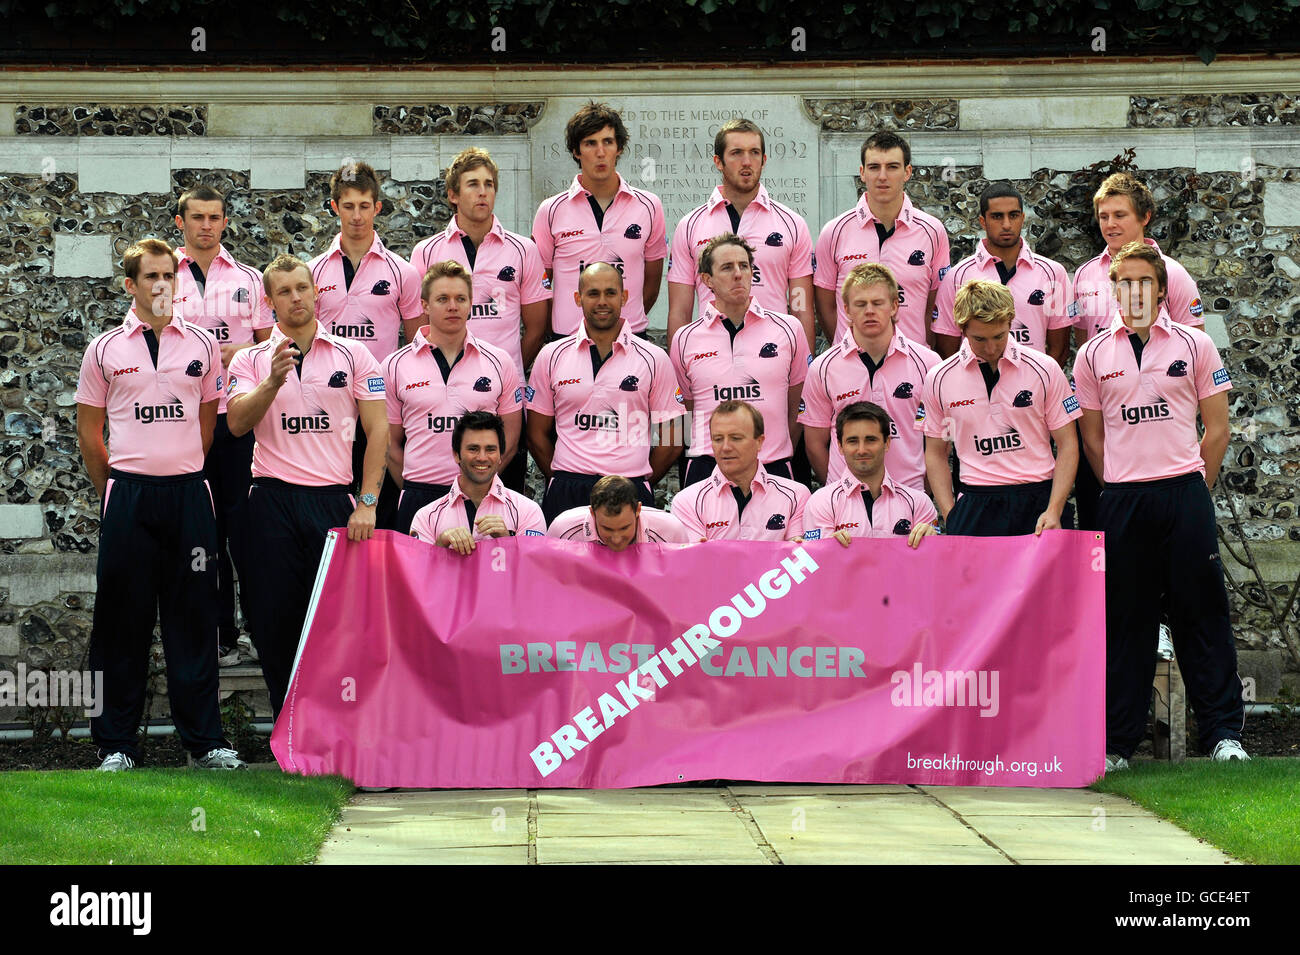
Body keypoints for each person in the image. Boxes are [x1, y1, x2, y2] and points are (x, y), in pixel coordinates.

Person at [1073, 241, 1247, 769]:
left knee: (1203, 614)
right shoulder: (1091, 355)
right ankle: (1117, 744)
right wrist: (1121, 486)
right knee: (1127, 622)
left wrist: (1194, 487)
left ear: (1161, 289)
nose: (1134, 292)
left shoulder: (1195, 346)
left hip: (1184, 494)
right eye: (1123, 282)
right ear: (1114, 290)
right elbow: (1093, 441)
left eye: (1144, 282)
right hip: (1124, 501)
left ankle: (1223, 735)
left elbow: (1217, 430)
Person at [75, 238, 244, 771]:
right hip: (128, 497)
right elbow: (89, 436)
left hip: (190, 496)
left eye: (169, 275)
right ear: (131, 284)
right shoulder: (103, 349)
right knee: (120, 623)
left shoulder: (202, 345)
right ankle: (116, 746)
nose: (162, 285)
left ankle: (205, 741)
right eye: (151, 276)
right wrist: (118, 487)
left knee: (193, 619)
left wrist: (178, 467)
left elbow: (207, 424)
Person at [226, 254, 388, 721]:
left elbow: (378, 431)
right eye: (284, 291)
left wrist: (368, 503)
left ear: (316, 291)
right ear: (269, 302)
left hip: (332, 501)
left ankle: (338, 726)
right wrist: (273, 381)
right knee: (276, 621)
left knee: (338, 623)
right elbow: (237, 424)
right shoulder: (252, 360)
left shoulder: (354, 354)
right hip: (271, 499)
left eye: (302, 288)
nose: (296, 298)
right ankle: (288, 726)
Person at [173, 184, 274, 667]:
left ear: (225, 222)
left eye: (215, 217)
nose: (206, 225)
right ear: (181, 223)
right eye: (197, 217)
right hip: (184, 424)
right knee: (199, 533)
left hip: (236, 422)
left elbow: (268, 348)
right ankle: (217, 636)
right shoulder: (160, 277)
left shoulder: (250, 279)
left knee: (245, 528)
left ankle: (261, 631)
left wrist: (225, 353)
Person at [1070, 171, 1204, 534]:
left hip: (1157, 431)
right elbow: (1085, 345)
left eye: (1120, 215)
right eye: (1104, 216)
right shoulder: (1083, 275)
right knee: (1106, 535)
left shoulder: (1173, 274)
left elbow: (1194, 355)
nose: (1110, 224)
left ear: (1144, 218)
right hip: (1104, 420)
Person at [409, 147, 549, 494]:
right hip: (438, 397)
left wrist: (504, 370)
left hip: (499, 396)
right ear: (453, 195)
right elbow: (418, 327)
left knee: (500, 512)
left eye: (489, 184)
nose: (483, 191)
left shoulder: (522, 250)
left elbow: (536, 327)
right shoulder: (426, 252)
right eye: (472, 184)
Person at [920, 279, 1080, 536]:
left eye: (999, 336)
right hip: (975, 500)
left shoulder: (1045, 368)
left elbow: (1068, 444)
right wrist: (952, 513)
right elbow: (936, 452)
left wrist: (1054, 508)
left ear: (1010, 321)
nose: (991, 348)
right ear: (962, 328)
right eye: (979, 339)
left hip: (1037, 499)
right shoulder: (938, 377)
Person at [527, 262, 684, 523]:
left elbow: (675, 435)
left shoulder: (655, 358)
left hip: (630, 487)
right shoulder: (550, 355)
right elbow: (535, 435)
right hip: (568, 487)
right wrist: (560, 476)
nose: (602, 301)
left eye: (610, 293)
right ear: (578, 299)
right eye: (593, 293)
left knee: (630, 566)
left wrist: (639, 481)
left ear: (624, 297)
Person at [308, 161, 422, 522]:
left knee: (380, 510)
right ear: (334, 207)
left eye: (364, 206)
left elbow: (415, 342)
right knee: (332, 501)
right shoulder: (312, 271)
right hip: (329, 403)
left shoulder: (402, 271)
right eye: (348, 206)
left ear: (378, 207)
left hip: (380, 404)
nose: (356, 216)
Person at [384, 261, 522, 534]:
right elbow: (389, 444)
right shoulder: (394, 365)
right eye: (443, 299)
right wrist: (414, 488)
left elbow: (511, 440)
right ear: (424, 305)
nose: (453, 306)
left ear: (471, 303)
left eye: (461, 298)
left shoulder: (500, 362)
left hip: (481, 499)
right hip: (418, 496)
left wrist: (476, 486)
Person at [669, 234, 809, 488]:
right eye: (727, 267)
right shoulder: (685, 338)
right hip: (707, 467)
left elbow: (799, 402)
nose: (738, 274)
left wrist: (775, 445)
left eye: (744, 266)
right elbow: (685, 412)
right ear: (707, 280)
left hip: (772, 463)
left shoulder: (789, 329)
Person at [666, 118, 815, 349]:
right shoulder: (690, 225)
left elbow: (801, 307)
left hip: (773, 354)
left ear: (764, 160)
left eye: (754, 153)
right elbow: (679, 311)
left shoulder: (792, 224)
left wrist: (804, 367)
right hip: (709, 355)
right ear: (718, 161)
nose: (747, 162)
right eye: (736, 153)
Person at [532, 102, 667, 338]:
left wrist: (622, 321)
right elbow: (540, 287)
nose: (600, 152)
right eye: (590, 143)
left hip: (630, 337)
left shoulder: (649, 206)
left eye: (607, 142)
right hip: (568, 339)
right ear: (576, 151)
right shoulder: (550, 210)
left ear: (619, 148)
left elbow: (653, 280)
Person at [802, 263, 938, 490]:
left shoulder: (928, 364)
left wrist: (916, 492)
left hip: (910, 496)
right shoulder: (823, 368)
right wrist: (840, 489)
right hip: (845, 503)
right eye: (860, 304)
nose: (869, 311)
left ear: (895, 305)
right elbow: (815, 444)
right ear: (846, 309)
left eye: (877, 303)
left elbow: (937, 443)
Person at [814, 131, 949, 348]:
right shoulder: (834, 231)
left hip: (912, 366)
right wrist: (844, 346)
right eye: (874, 167)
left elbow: (935, 307)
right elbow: (825, 306)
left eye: (892, 167)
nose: (882, 176)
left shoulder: (932, 231)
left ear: (907, 172)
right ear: (862, 173)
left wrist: (922, 353)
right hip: (851, 366)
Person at [932, 181, 1071, 365]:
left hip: (1033, 387)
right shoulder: (957, 277)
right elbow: (947, 352)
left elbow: (1059, 350)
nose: (1006, 224)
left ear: (1022, 218)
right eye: (997, 216)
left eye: (1013, 215)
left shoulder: (1053, 273)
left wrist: (1039, 383)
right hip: (977, 388)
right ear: (983, 221)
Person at [803, 402, 938, 548]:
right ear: (840, 447)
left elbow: (932, 565)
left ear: (887, 443)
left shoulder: (919, 503)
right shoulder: (821, 502)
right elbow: (817, 563)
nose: (862, 450)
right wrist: (830, 549)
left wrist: (932, 544)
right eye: (853, 441)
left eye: (870, 440)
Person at [670, 400, 809, 541]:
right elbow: (691, 560)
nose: (725, 447)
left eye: (735, 438)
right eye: (718, 439)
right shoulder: (687, 502)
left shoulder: (796, 495)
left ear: (759, 442)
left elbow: (797, 555)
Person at [409, 411, 545, 551]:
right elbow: (418, 571)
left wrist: (507, 541)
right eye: (473, 449)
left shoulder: (528, 511)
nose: (482, 457)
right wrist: (440, 545)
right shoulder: (426, 516)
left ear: (500, 456)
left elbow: (533, 570)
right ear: (456, 455)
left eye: (490, 449)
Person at [548, 475, 692, 550]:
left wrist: (701, 554)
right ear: (592, 513)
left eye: (624, 528)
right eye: (607, 529)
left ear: (638, 510)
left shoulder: (671, 529)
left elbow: (685, 578)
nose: (616, 539)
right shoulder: (562, 528)